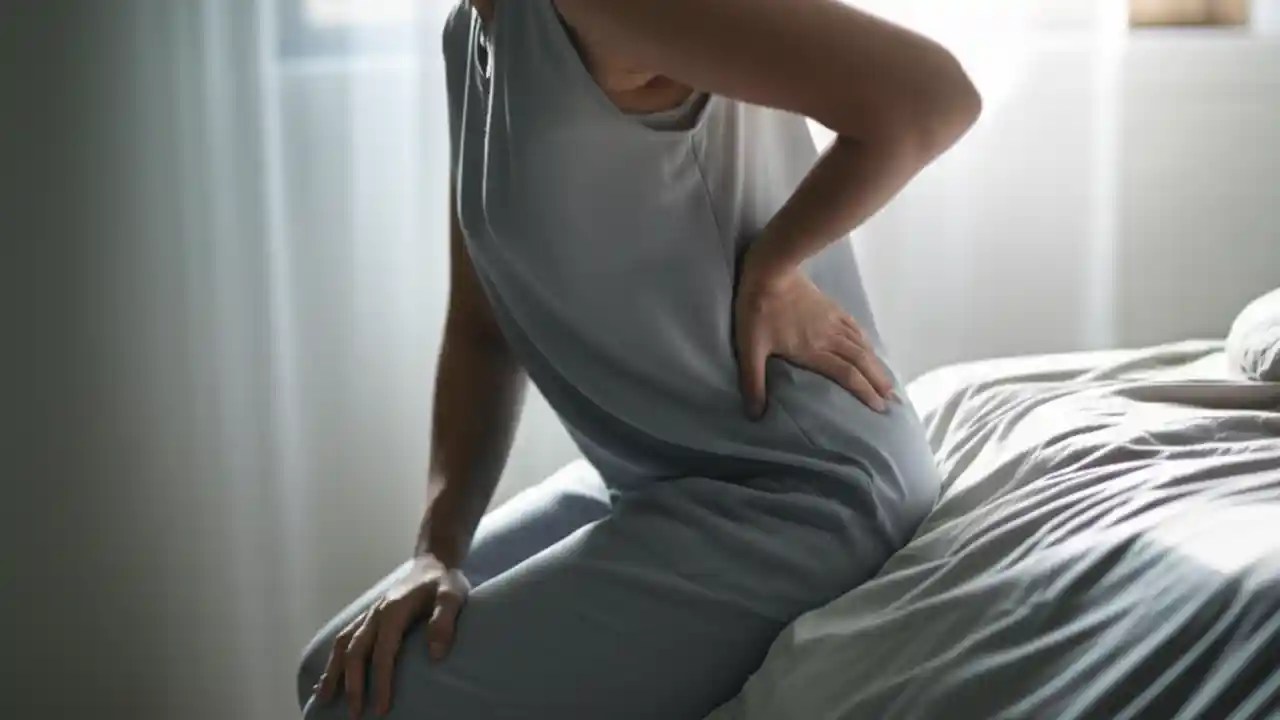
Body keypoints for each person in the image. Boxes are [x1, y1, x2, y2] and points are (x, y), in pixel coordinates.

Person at [297, 0, 980, 717]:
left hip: (805, 489)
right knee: (331, 671)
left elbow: (932, 97)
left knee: (357, 709)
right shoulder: (467, 31)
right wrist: (437, 553)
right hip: (662, 477)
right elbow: (482, 330)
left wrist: (776, 264)